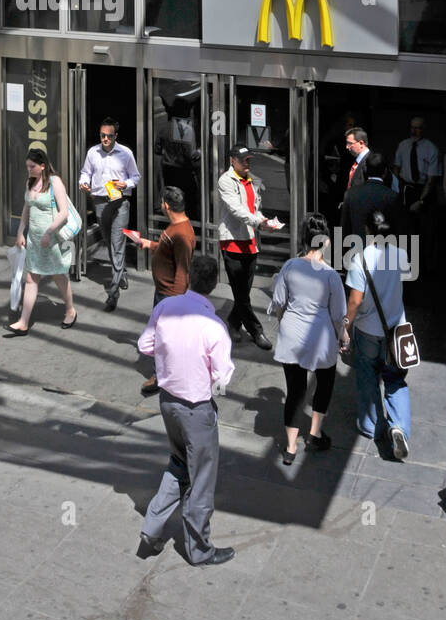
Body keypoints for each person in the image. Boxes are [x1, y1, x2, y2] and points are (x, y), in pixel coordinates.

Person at [137, 254, 235, 567]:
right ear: (215, 285)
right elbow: (223, 377)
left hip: (167, 403)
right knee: (202, 478)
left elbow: (144, 346)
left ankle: (152, 528)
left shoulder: (165, 308)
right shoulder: (214, 327)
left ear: (189, 278)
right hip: (197, 409)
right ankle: (199, 549)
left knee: (178, 465)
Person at [268, 213, 348, 464]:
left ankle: (290, 448)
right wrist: (343, 337)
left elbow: (279, 303)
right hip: (321, 337)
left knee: (295, 391)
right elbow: (338, 315)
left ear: (303, 239)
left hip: (292, 335)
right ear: (325, 242)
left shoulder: (290, 266)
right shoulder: (330, 275)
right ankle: (314, 433)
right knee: (324, 382)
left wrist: (284, 324)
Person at [343, 209, 414, 460]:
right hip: (396, 331)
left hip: (368, 331)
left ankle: (373, 426)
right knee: (395, 379)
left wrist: (345, 327)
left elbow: (355, 301)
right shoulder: (401, 255)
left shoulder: (359, 259)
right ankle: (399, 428)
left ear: (368, 230)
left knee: (368, 377)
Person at [126, 186, 196, 396]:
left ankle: (160, 376)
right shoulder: (177, 229)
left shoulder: (182, 234)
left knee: (163, 337)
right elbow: (168, 249)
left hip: (169, 296)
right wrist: (150, 244)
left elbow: (182, 271)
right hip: (165, 294)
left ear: (166, 205)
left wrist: (173, 303)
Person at [217, 144, 282, 349]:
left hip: (250, 242)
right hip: (233, 243)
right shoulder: (226, 181)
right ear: (232, 160)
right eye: (244, 160)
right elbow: (236, 210)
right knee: (242, 293)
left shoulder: (251, 181)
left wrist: (265, 223)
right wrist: (258, 222)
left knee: (243, 291)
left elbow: (254, 210)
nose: (247, 163)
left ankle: (234, 322)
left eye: (249, 160)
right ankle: (257, 331)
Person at [9, 148, 77, 334]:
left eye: (32, 166)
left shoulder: (55, 182)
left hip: (52, 239)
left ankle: (70, 309)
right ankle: (23, 322)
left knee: (58, 275)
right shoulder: (30, 182)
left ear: (42, 166)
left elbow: (63, 213)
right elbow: (26, 209)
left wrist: (49, 232)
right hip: (34, 240)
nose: (29, 169)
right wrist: (21, 232)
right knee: (31, 278)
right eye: (27, 166)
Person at [79, 116, 141, 311]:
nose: (105, 139)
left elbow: (136, 177)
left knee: (117, 243)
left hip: (120, 202)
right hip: (99, 201)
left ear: (116, 136)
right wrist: (84, 182)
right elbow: (85, 172)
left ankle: (113, 293)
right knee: (107, 239)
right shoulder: (92, 152)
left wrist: (126, 184)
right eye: (102, 135)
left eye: (109, 136)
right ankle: (120, 273)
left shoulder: (125, 153)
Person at [392, 116, 442, 266]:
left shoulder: (431, 148)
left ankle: (425, 265)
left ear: (423, 129)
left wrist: (421, 200)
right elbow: (396, 168)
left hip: (424, 189)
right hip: (407, 188)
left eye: (418, 128)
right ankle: (406, 261)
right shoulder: (403, 145)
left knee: (426, 229)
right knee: (406, 228)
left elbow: (431, 179)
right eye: (412, 127)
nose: (415, 131)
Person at [341, 152, 402, 241]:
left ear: (365, 170)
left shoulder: (350, 194)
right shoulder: (393, 197)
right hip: (383, 251)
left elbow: (344, 229)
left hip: (357, 251)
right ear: (385, 172)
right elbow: (398, 230)